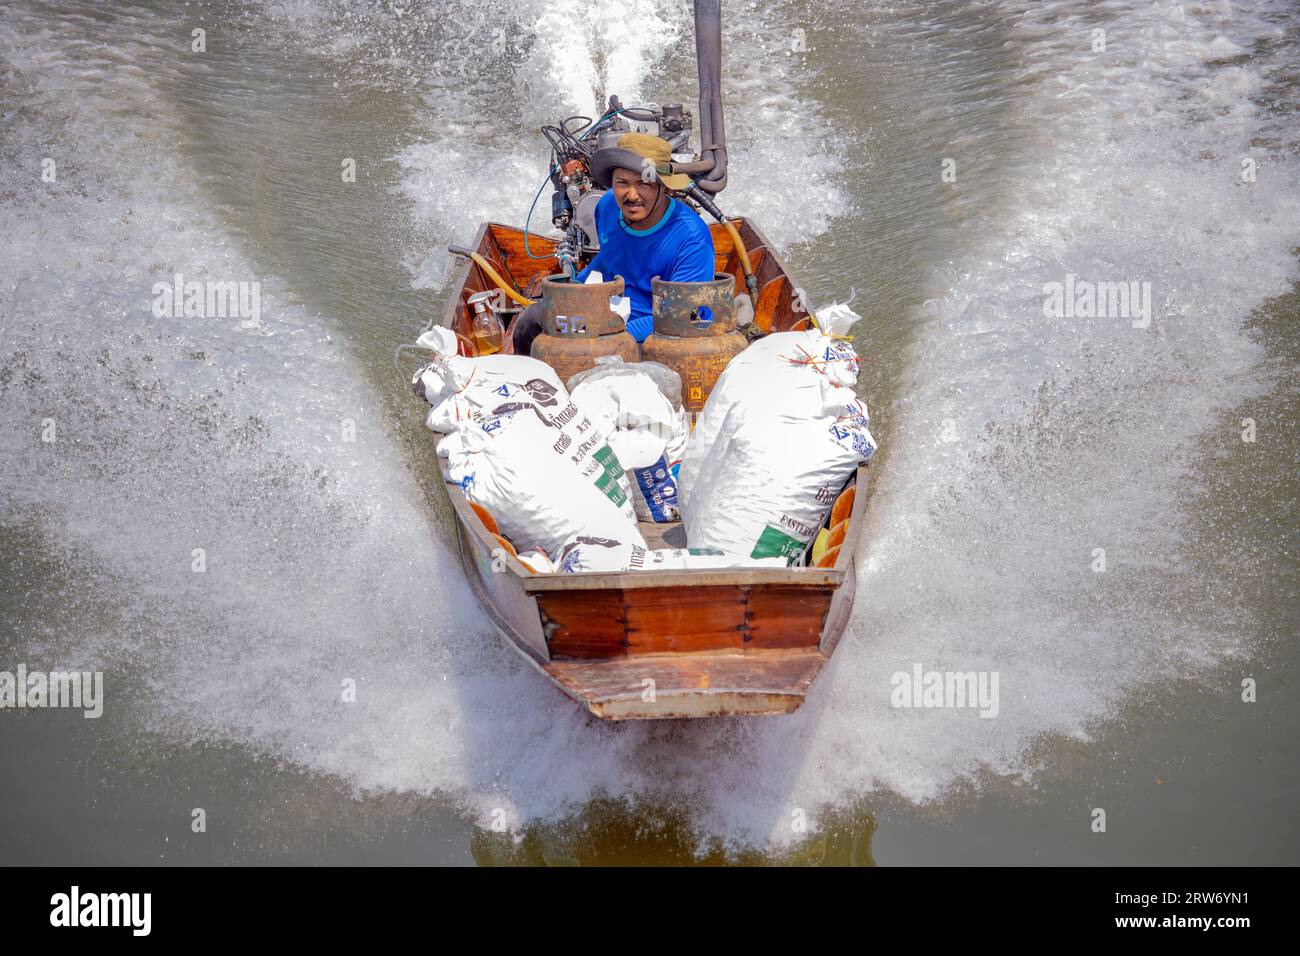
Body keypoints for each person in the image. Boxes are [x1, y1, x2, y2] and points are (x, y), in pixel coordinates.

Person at [511, 131, 716, 356]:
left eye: (643, 183)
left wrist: (610, 333)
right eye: (622, 182)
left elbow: (683, 314)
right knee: (530, 321)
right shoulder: (608, 205)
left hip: (654, 335)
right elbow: (607, 260)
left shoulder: (691, 238)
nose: (632, 194)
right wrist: (575, 289)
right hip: (603, 318)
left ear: (663, 186)